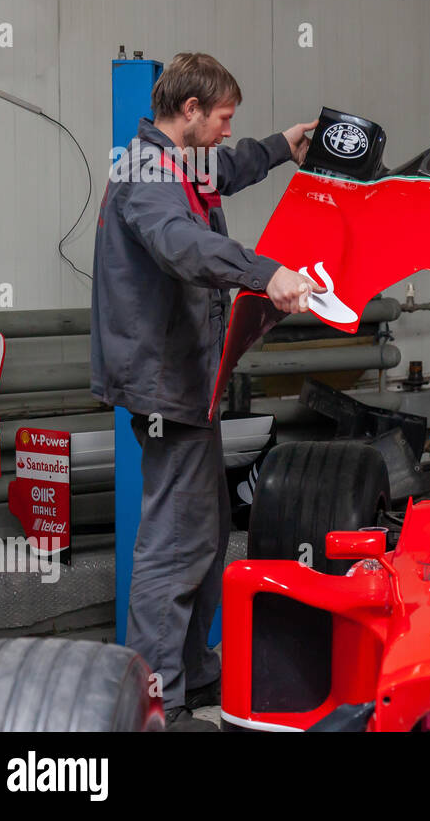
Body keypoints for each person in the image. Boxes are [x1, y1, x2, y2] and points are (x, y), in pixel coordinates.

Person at [90, 52, 316, 729]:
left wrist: (284, 145)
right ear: (188, 111)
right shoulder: (145, 175)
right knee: (173, 547)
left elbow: (228, 167)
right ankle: (160, 701)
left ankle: (188, 672)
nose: (224, 131)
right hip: (166, 386)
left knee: (208, 535)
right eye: (220, 118)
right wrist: (263, 272)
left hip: (187, 378)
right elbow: (180, 245)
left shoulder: (174, 159)